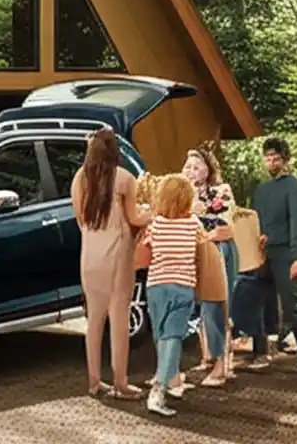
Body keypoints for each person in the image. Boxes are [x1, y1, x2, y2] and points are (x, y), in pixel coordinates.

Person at [72, 127, 151, 399]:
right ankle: (120, 383)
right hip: (118, 254)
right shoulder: (126, 179)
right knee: (119, 319)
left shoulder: (80, 178)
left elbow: (81, 218)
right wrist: (151, 212)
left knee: (94, 320)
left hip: (90, 255)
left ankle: (94, 381)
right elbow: (135, 217)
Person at [251, 137, 297, 368]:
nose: (271, 163)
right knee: (258, 303)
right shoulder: (260, 190)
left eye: (276, 158)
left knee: (291, 301)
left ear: (285, 160)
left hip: (285, 253)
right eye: (268, 158)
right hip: (262, 253)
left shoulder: (293, 186)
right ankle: (260, 352)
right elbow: (254, 220)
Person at [139, 174, 202, 417]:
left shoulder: (155, 225)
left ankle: (165, 379)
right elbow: (202, 249)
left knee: (160, 336)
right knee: (173, 337)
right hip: (182, 286)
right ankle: (160, 389)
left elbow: (146, 252)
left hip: (155, 287)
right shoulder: (193, 224)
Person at [183, 148, 237, 387]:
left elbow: (226, 227)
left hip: (218, 251)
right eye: (187, 166)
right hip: (196, 252)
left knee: (216, 307)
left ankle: (221, 366)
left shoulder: (220, 191)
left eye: (196, 166)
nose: (190, 171)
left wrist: (205, 236)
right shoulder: (181, 194)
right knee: (202, 308)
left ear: (208, 169)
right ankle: (210, 356)